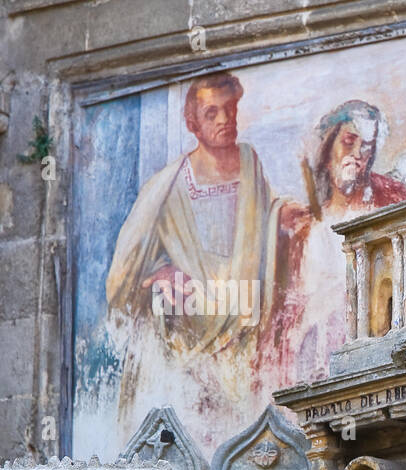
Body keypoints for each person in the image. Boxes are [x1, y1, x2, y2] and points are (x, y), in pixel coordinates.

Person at [105, 71, 310, 356]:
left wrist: (282, 212)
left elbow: (262, 215)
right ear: (193, 125)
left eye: (230, 109)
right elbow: (129, 266)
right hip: (190, 319)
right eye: (211, 113)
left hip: (244, 313)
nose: (224, 119)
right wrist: (161, 270)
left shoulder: (249, 161)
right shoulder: (167, 186)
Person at [309, 100, 406, 218]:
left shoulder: (392, 196)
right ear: (328, 148)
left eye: (367, 146)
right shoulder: (312, 219)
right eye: (349, 142)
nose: (357, 154)